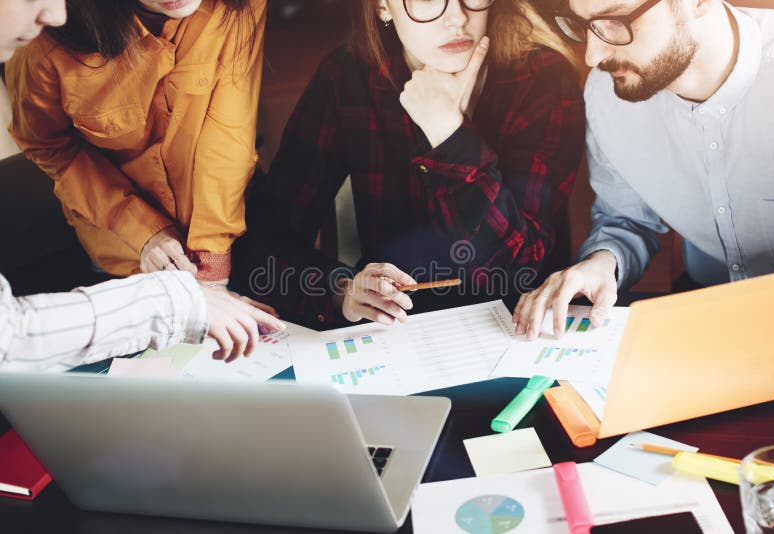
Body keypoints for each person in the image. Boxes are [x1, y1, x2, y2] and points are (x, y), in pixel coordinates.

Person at [234, 0, 585, 328]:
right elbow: (265, 243)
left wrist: (449, 135)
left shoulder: (543, 78)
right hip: (395, 331)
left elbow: (521, 268)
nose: (458, 17)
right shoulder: (347, 77)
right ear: (383, 6)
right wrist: (340, 288)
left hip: (518, 327)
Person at [0, 0, 284, 370]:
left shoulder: (238, 7)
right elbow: (50, 146)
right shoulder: (45, 40)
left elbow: (227, 136)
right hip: (117, 256)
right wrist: (142, 231)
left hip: (223, 240)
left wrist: (210, 274)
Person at [513, 0, 774, 339]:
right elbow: (625, 219)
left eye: (616, 20)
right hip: (702, 313)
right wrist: (602, 264)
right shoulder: (608, 96)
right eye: (583, 24)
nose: (592, 56)